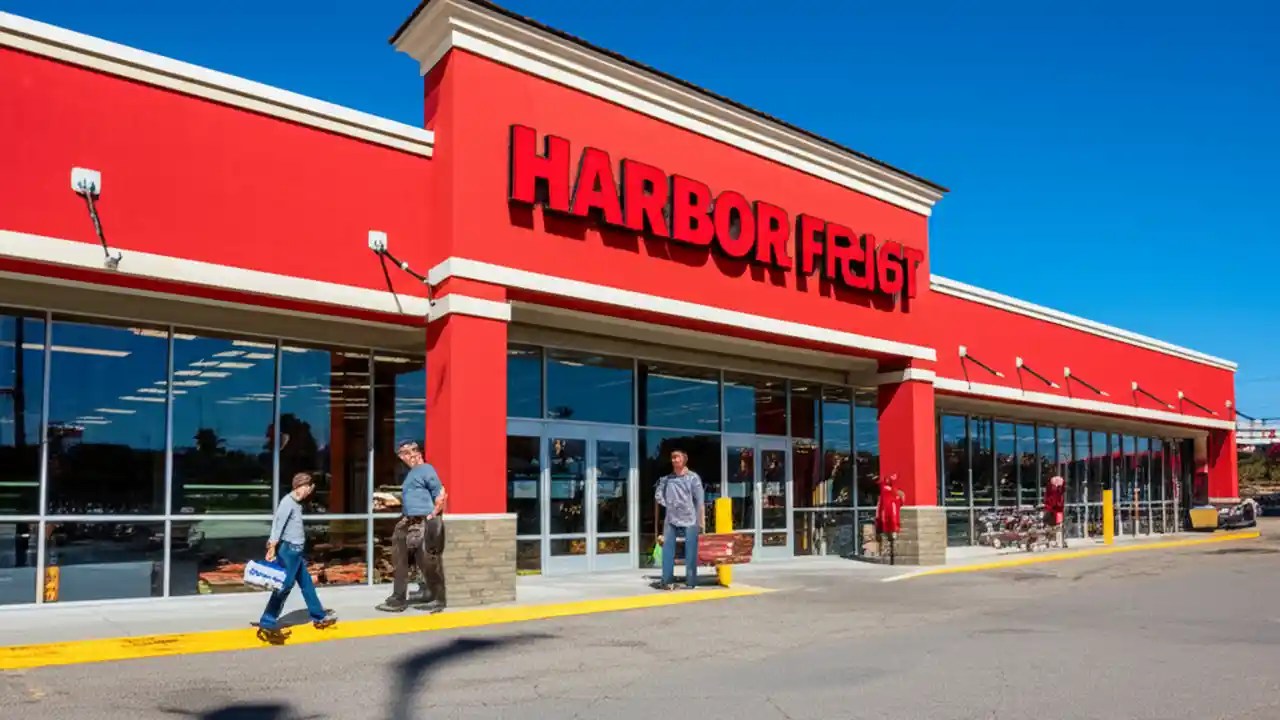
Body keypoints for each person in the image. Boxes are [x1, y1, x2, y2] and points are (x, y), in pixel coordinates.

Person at [256, 473, 336, 638]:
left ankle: (319, 616)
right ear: (300, 486)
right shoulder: (287, 503)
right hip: (289, 552)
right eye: (307, 488)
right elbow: (277, 526)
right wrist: (272, 547)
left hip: (297, 552)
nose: (308, 492)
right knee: (284, 587)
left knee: (306, 584)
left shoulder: (297, 503)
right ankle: (267, 621)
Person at [377, 439, 447, 613]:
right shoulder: (412, 474)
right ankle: (398, 598)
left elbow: (441, 494)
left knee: (428, 563)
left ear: (413, 453)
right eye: (402, 455)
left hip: (423, 522)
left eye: (405, 454)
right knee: (400, 560)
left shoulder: (426, 470)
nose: (404, 458)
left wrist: (431, 516)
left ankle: (438, 599)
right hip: (408, 521)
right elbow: (415, 498)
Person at [656, 449, 705, 591]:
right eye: (672, 458)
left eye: (677, 457)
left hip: (690, 519)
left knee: (691, 551)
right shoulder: (666, 479)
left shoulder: (693, 478)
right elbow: (658, 495)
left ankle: (691, 581)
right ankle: (666, 580)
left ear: (684, 459)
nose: (674, 460)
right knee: (668, 550)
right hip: (671, 519)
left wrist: (701, 521)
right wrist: (669, 504)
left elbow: (700, 500)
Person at [1044, 475, 1067, 548]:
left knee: (1057, 526)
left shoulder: (1057, 490)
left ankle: (1057, 542)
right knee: (1054, 526)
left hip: (1056, 510)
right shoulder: (1053, 490)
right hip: (1053, 509)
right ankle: (1055, 542)